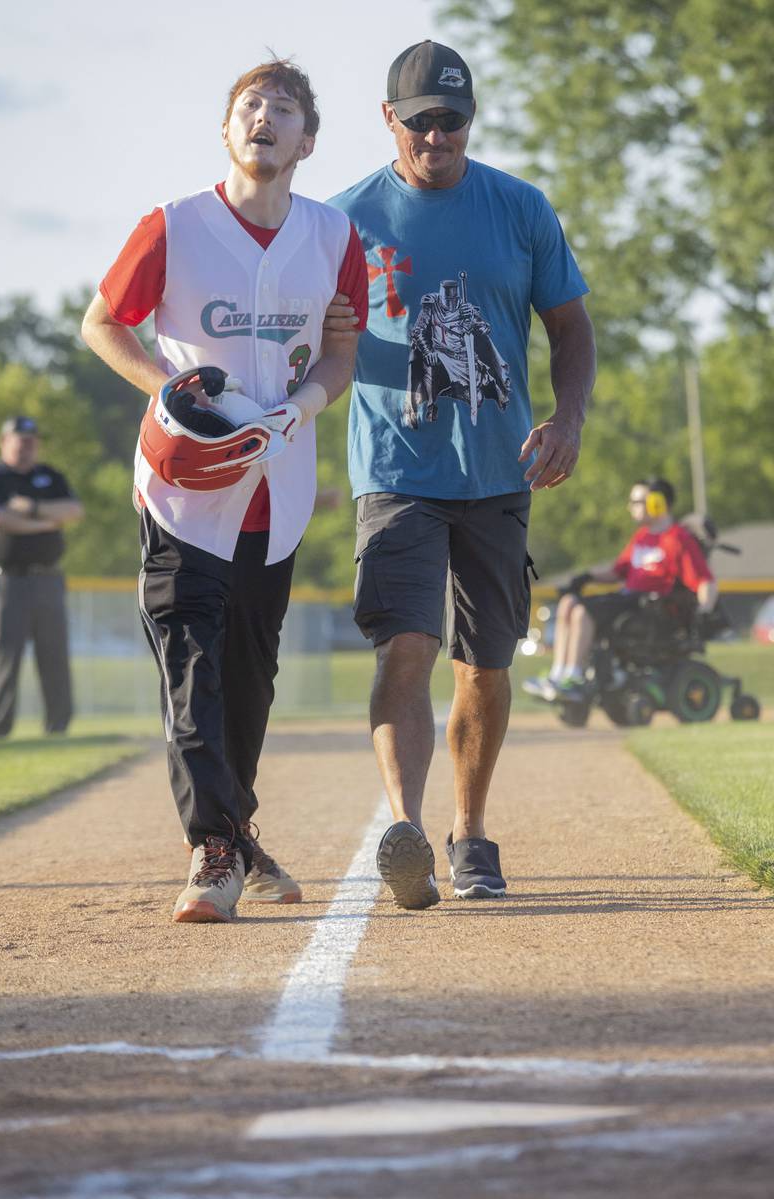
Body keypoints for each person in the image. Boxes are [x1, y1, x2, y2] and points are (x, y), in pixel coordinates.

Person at [81, 59, 368, 923]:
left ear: (306, 141)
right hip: (184, 488)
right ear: (226, 129)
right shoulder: (173, 226)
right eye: (250, 106)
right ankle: (212, 849)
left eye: (284, 109)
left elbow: (342, 351)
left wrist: (301, 408)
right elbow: (103, 323)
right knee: (192, 661)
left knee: (248, 674)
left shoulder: (333, 237)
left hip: (276, 492)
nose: (265, 118)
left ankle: (235, 830)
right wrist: (163, 391)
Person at [326, 41, 596, 908]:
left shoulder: (520, 208)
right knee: (406, 644)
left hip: (498, 471)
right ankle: (406, 828)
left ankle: (471, 833)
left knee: (484, 666)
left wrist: (569, 417)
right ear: (390, 122)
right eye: (420, 123)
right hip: (396, 470)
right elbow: (289, 331)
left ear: (469, 119)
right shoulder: (341, 221)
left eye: (452, 121)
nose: (436, 137)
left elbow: (571, 327)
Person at [525, 477, 718, 700]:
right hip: (627, 598)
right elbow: (618, 572)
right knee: (568, 602)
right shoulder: (642, 537)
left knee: (582, 612)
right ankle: (558, 674)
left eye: (637, 502)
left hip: (649, 606)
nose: (631, 507)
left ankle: (574, 677)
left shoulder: (678, 539)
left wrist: (705, 610)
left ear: (658, 503)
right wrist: (587, 577)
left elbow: (705, 581)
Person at [0, 416, 83, 739]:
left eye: (30, 440)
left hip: (49, 579)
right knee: (5, 658)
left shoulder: (49, 476)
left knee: (54, 656)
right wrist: (44, 523)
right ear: (3, 442)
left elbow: (73, 511)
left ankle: (58, 728)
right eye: (18, 440)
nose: (25, 445)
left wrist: (31, 509)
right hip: (11, 580)